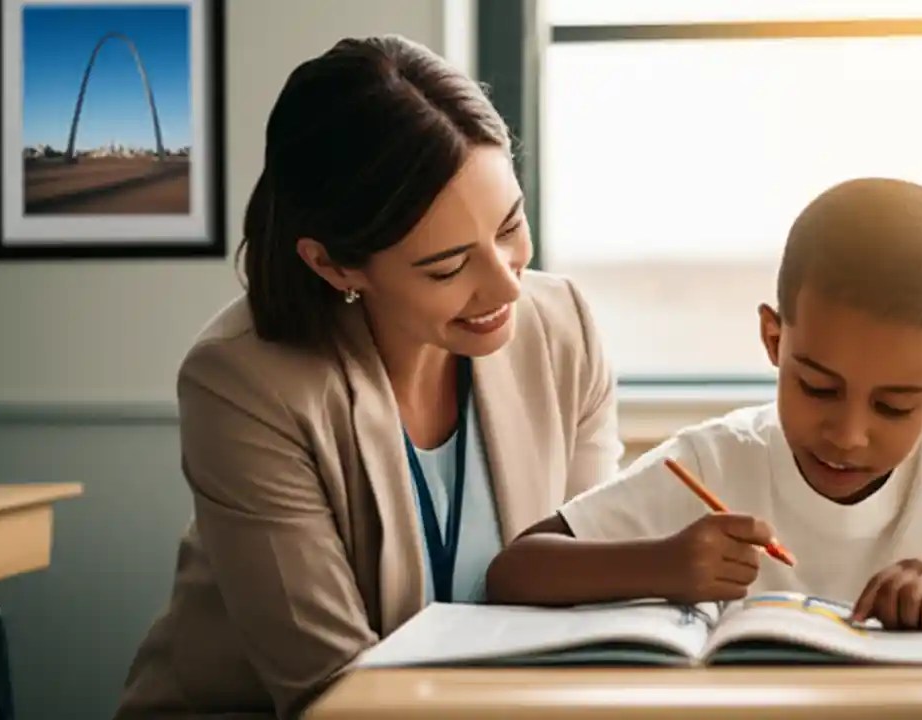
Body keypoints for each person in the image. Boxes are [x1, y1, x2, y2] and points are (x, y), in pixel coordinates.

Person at [115, 35, 621, 719]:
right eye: (446, 267)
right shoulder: (240, 384)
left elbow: (587, 597)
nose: (505, 284)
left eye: (510, 226)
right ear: (335, 266)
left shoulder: (564, 328)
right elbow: (331, 688)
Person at [487, 178, 922, 631]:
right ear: (773, 338)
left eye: (896, 406)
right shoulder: (719, 459)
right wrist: (662, 565)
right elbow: (516, 570)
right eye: (817, 387)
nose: (848, 434)